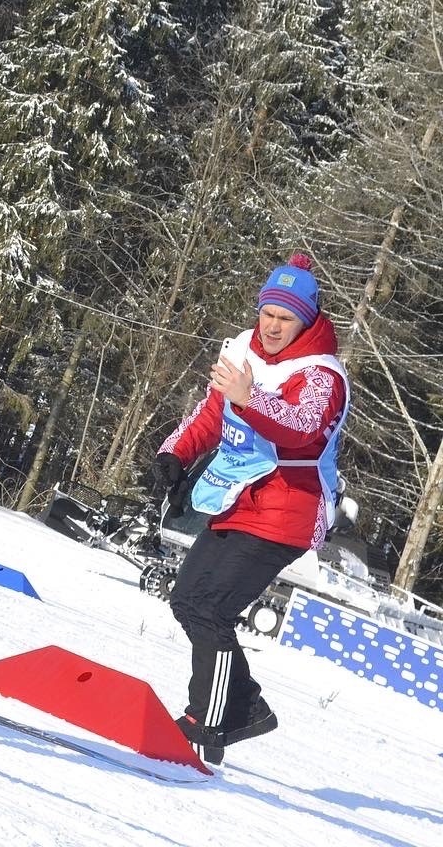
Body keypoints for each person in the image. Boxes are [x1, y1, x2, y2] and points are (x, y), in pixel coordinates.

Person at [148, 253, 349, 763]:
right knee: (187, 600)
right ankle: (244, 707)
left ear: (306, 320)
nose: (273, 326)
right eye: (267, 313)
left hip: (288, 511)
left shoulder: (322, 374)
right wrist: (176, 453)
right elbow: (212, 411)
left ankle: (207, 723)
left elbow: (301, 430)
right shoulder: (242, 348)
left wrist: (250, 397)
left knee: (212, 608)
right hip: (237, 495)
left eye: (286, 318)